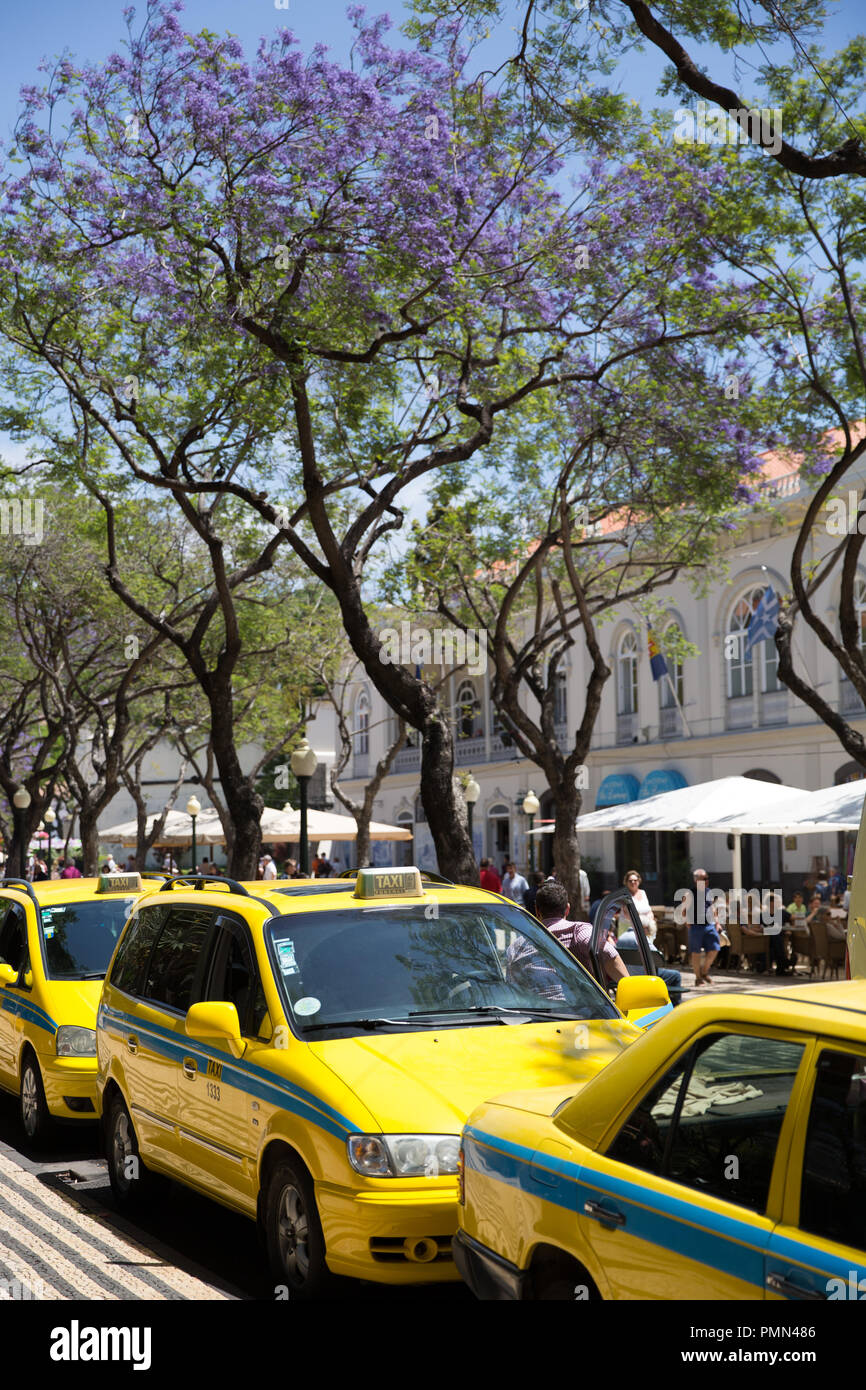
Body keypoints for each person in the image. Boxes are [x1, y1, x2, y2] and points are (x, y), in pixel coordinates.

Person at [535, 880, 628, 985]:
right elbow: (607, 952)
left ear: (537, 911)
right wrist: (632, 991)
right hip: (581, 1001)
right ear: (567, 909)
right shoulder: (578, 932)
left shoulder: (520, 944)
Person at [689, 868, 720, 986]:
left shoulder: (709, 892)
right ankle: (698, 978)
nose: (707, 880)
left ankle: (704, 972)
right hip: (696, 926)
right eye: (704, 879)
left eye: (707, 878)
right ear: (696, 880)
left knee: (715, 948)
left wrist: (717, 922)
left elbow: (712, 908)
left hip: (709, 925)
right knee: (695, 952)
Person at [622, 869, 657, 941]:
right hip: (631, 929)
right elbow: (627, 915)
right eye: (630, 880)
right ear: (626, 882)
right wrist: (642, 927)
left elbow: (649, 910)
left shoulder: (643, 892)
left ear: (639, 881)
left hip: (647, 928)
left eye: (635, 880)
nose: (633, 882)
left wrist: (650, 921)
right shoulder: (625, 895)